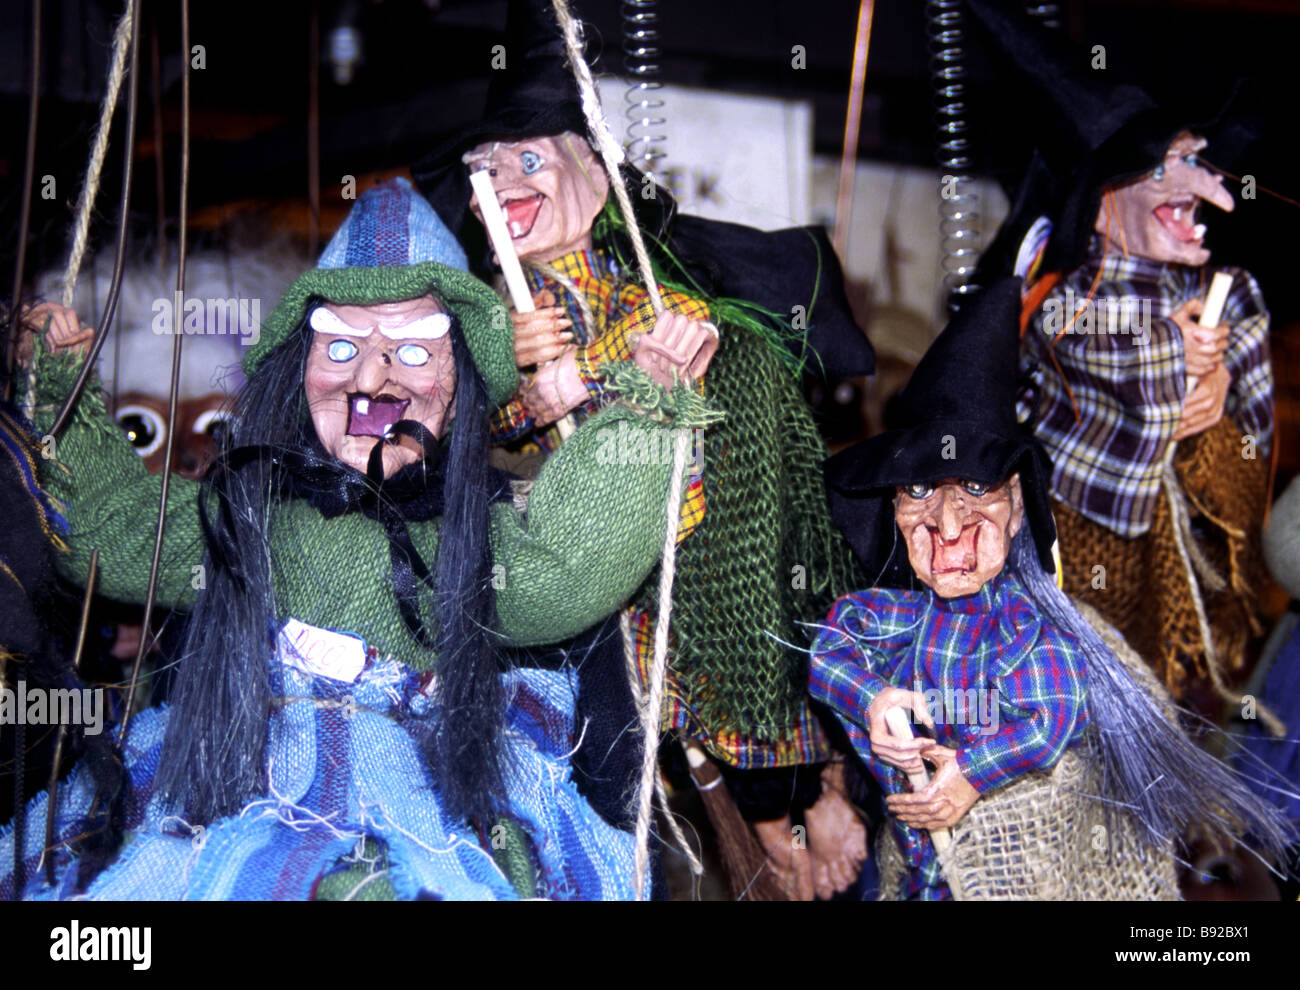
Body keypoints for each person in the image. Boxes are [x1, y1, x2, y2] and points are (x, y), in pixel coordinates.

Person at [1, 177, 712, 900]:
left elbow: (564, 573)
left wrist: (647, 410)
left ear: (463, 387)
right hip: (236, 771)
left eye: (411, 350)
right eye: (339, 347)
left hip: (415, 787)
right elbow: (113, 532)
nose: (369, 376)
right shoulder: (248, 518)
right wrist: (60, 386)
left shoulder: (466, 546)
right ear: (296, 370)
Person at [413, 0, 874, 900]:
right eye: (484, 168)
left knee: (757, 605)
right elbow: (454, 424)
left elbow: (691, 340)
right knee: (600, 762)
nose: (503, 180)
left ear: (593, 169)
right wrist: (515, 386)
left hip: (688, 541)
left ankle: (795, 789)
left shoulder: (651, 275)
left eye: (528, 158)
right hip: (564, 571)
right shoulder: (482, 318)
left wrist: (575, 376)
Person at [815, 278, 1291, 900]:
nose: (949, 525)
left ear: (1018, 510)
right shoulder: (893, 617)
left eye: (978, 490)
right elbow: (829, 650)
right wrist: (875, 698)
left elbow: (1053, 715)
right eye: (921, 492)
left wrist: (969, 774)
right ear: (893, 509)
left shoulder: (1028, 631)